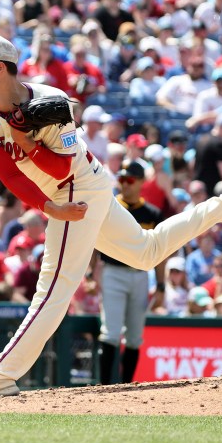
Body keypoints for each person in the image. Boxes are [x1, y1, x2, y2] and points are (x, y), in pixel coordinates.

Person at [0, 35, 222, 401]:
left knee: (53, 289)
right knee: (146, 252)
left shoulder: (50, 101)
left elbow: (62, 166)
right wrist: (48, 208)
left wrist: (30, 146)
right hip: (66, 194)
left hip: (76, 186)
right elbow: (10, 175)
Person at [97, 160, 162, 385]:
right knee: (111, 334)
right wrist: (91, 275)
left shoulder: (152, 212)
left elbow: (161, 251)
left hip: (141, 273)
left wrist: (161, 284)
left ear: (142, 182)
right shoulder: (110, 206)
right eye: (122, 179)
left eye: (130, 180)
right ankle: (104, 386)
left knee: (134, 337)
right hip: (113, 271)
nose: (125, 184)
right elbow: (94, 242)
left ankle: (126, 386)